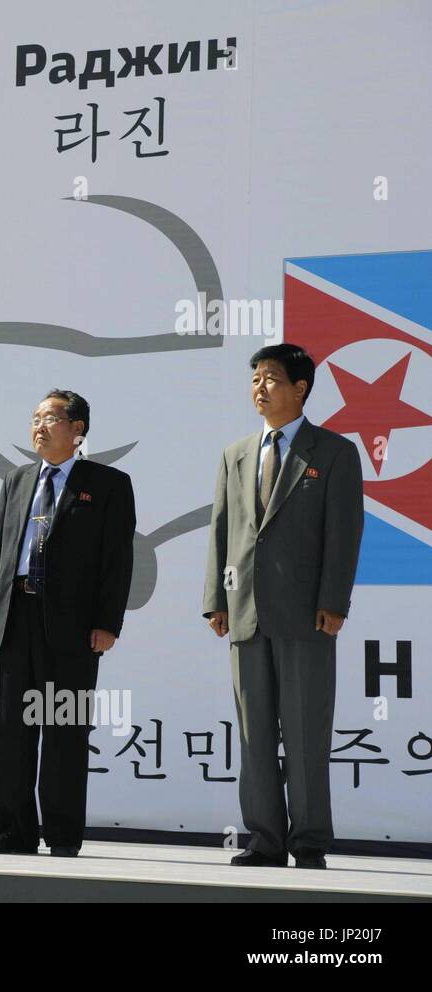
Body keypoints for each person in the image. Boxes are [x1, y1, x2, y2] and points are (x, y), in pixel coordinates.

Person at [203, 343, 363, 870]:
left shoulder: (334, 452)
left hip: (306, 616)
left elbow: (344, 535)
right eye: (254, 378)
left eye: (271, 378)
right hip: (246, 612)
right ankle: (265, 840)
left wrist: (334, 601)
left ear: (301, 388)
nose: (259, 387)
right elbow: (222, 531)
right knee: (253, 735)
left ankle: (309, 838)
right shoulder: (236, 453)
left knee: (304, 731)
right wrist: (215, 601)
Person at [0, 390, 135, 857]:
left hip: (72, 628)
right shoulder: (16, 480)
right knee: (10, 733)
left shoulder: (107, 483)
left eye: (51, 418)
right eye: (35, 418)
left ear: (77, 429)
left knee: (64, 732)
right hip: (13, 618)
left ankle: (62, 835)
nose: (39, 427)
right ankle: (13, 832)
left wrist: (108, 623)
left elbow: (116, 561)